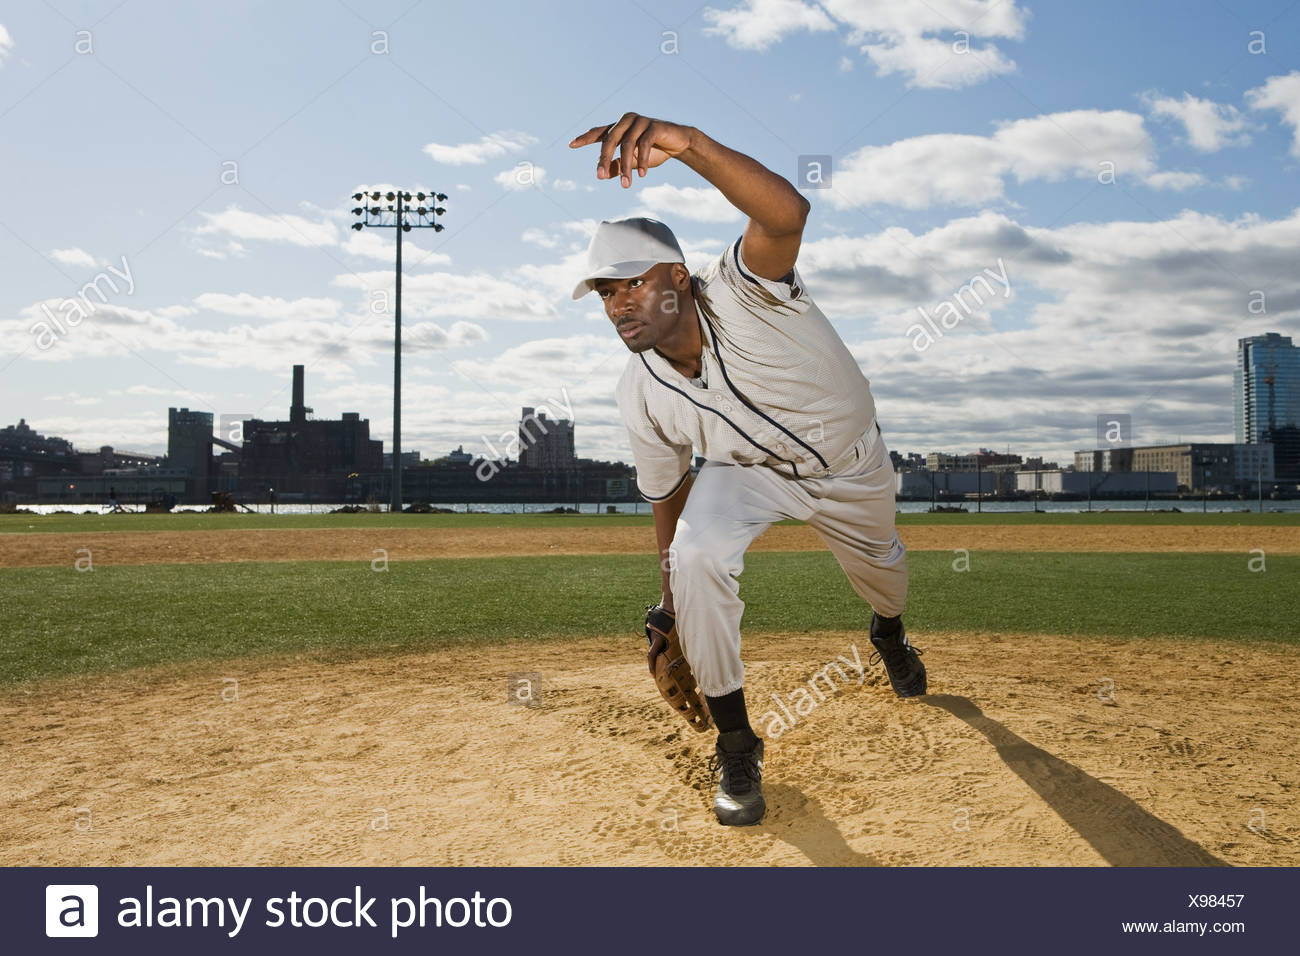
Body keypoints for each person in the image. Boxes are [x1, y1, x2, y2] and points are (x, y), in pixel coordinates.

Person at [569, 114, 925, 827]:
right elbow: (668, 498)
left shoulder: (743, 290)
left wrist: (692, 144)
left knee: (885, 572)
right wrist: (670, 610)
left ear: (676, 276)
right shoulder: (638, 389)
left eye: (628, 285)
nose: (616, 306)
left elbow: (787, 213)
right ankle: (738, 744)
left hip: (852, 465)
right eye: (604, 294)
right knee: (696, 551)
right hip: (745, 472)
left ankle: (888, 634)